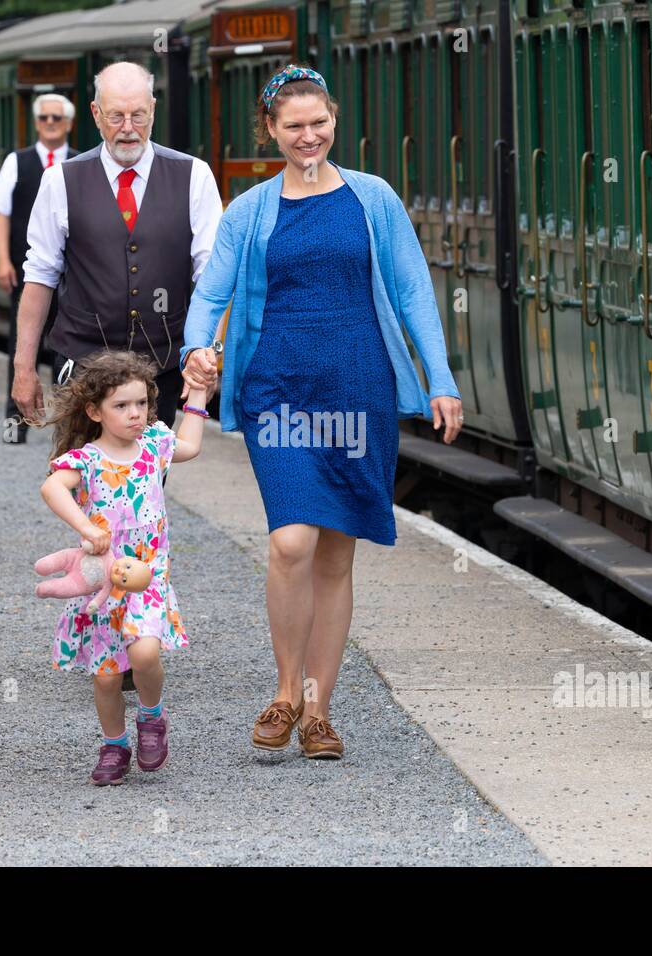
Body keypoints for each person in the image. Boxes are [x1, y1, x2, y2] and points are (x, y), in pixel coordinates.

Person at [179, 65, 464, 760]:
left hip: (359, 388)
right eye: (294, 126)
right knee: (291, 542)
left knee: (336, 554)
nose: (308, 136)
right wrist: (195, 349)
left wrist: (441, 380)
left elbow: (411, 291)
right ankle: (283, 692)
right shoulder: (250, 211)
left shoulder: (373, 199)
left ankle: (318, 711)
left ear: (334, 121)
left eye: (319, 123)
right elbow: (210, 294)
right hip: (277, 389)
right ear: (271, 131)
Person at [12, 61, 222, 431]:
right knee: (80, 480)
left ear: (153, 110)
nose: (128, 129)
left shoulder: (195, 176)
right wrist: (23, 367)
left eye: (138, 115)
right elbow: (40, 276)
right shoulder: (60, 180)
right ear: (95, 114)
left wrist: (208, 355)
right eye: (116, 116)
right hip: (81, 364)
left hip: (163, 365)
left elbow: (212, 278)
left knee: (150, 483)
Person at [38, 351, 210, 785]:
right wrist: (84, 526)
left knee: (145, 652)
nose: (135, 414)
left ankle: (152, 716)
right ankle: (114, 743)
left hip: (149, 579)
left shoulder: (153, 444)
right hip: (103, 586)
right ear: (95, 412)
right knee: (106, 677)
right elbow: (52, 487)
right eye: (121, 406)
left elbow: (189, 445)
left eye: (140, 403)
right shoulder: (86, 460)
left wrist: (199, 397)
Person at [0, 92, 74, 443]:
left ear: (68, 123)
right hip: (27, 272)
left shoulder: (80, 162)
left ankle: (66, 423)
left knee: (65, 347)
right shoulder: (16, 162)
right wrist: (3, 260)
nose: (50, 124)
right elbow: (1, 215)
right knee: (22, 345)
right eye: (44, 118)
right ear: (36, 123)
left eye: (56, 118)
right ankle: (15, 424)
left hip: (70, 275)